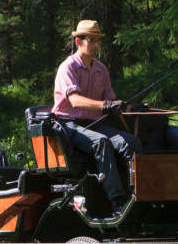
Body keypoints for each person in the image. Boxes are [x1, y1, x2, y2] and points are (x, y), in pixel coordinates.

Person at [52, 19, 142, 216]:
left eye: (97, 41)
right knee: (101, 142)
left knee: (131, 142)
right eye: (91, 40)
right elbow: (74, 101)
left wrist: (127, 107)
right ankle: (117, 203)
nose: (95, 45)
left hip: (95, 123)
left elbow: (109, 100)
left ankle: (138, 196)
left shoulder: (101, 69)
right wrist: (106, 106)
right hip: (68, 126)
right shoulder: (67, 68)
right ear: (78, 42)